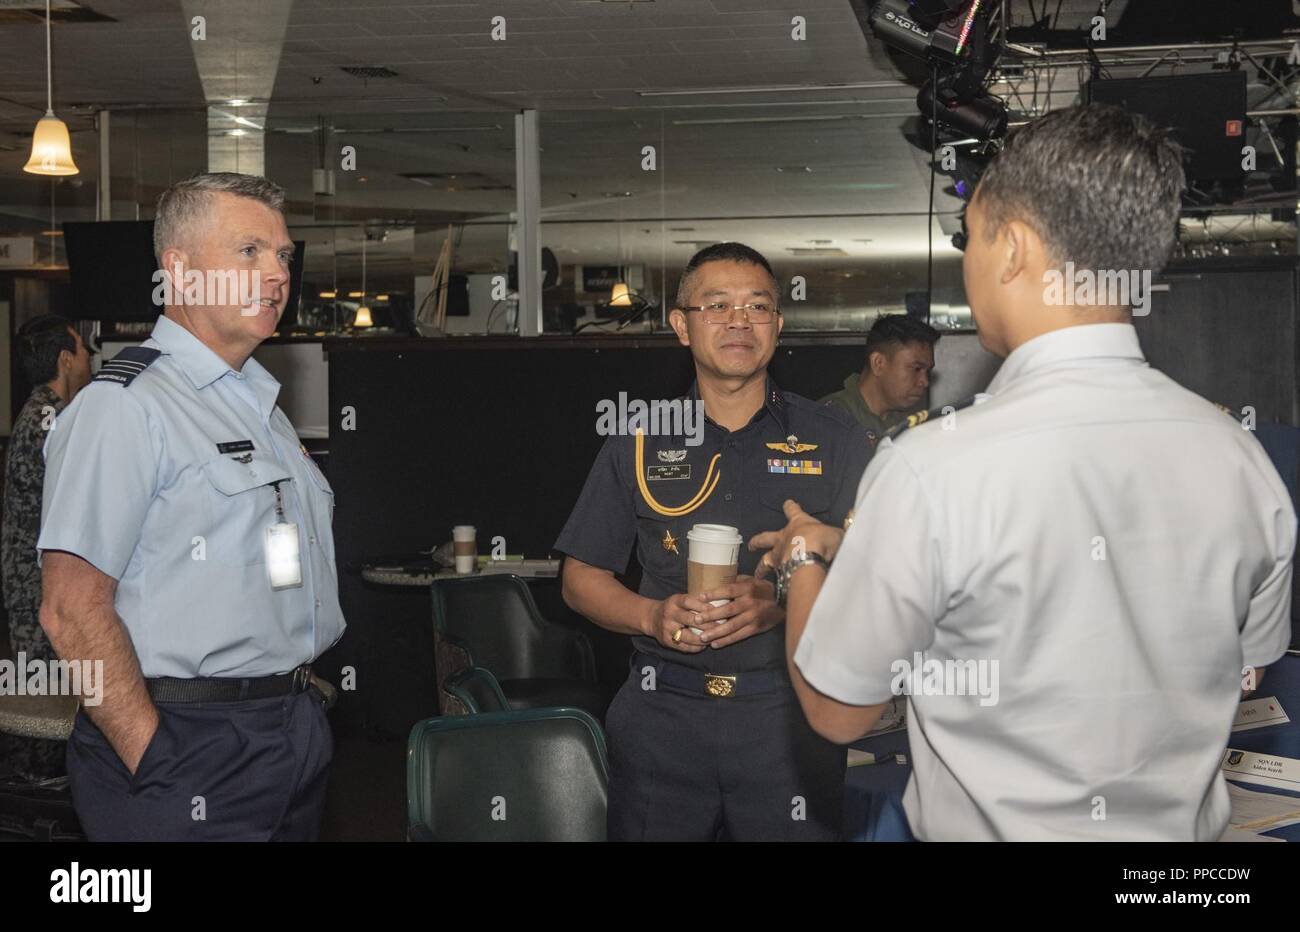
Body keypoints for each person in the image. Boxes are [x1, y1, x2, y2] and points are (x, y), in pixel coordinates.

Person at [753, 104, 1297, 841]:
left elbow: (836, 708)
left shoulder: (929, 468)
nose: (966, 260)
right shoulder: (1242, 459)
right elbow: (1245, 674)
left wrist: (803, 559)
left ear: (1010, 248)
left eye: (969, 237)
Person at [38, 172, 345, 841]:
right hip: (187, 739)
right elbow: (69, 608)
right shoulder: (124, 405)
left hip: (289, 727)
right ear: (179, 269)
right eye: (249, 253)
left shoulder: (260, 406)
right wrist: (153, 754)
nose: (276, 276)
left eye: (283, 257)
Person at [557, 242, 871, 841]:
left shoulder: (835, 439)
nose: (738, 322)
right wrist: (652, 615)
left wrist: (783, 604)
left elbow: (879, 578)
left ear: (778, 327)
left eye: (757, 307)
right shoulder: (638, 439)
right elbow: (580, 580)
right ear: (681, 325)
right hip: (662, 721)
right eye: (717, 305)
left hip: (788, 721)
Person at [0, 315, 91, 780]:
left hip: (31, 575)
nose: (91, 358)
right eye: (84, 349)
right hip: (37, 580)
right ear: (65, 359)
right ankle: (30, 806)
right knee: (41, 705)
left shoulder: (40, 410)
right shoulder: (51, 418)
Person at [820, 313, 939, 448]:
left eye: (927, 371)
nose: (924, 381)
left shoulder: (907, 424)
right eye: (916, 369)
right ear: (878, 363)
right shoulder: (830, 419)